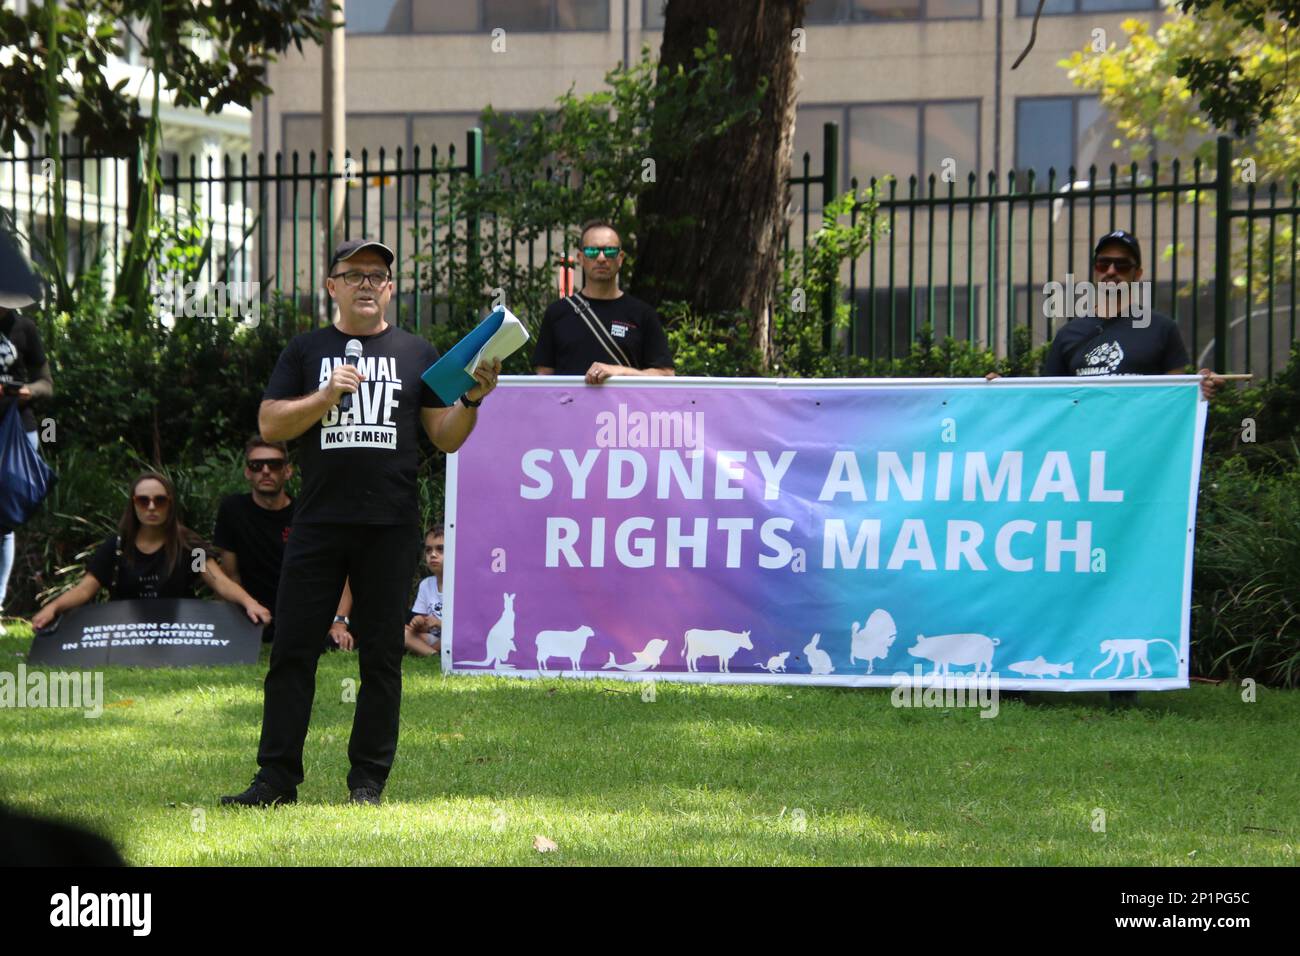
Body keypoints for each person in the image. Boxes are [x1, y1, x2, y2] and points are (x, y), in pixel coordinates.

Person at [221, 238, 499, 809]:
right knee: (293, 650)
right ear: (333, 286)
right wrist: (325, 395)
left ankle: (367, 783)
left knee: (380, 657)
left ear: (390, 288)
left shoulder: (417, 352)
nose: (368, 283)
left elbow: (443, 435)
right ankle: (275, 780)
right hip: (319, 524)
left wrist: (471, 400)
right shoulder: (306, 350)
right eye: (355, 274)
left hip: (389, 525)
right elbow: (271, 425)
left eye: (378, 275)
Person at [30, 472, 272, 629]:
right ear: (133, 504)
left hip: (178, 629)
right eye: (143, 501)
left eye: (160, 500)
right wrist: (52, 608)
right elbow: (85, 590)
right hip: (125, 631)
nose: (152, 507)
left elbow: (219, 581)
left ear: (170, 503)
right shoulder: (116, 547)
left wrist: (250, 603)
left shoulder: (188, 547)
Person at [533, 220, 675, 384]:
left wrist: (618, 371)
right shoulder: (557, 313)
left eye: (609, 250)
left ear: (620, 258)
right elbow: (543, 381)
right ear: (580, 258)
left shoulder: (643, 314)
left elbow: (666, 375)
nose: (601, 258)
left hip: (625, 409)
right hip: (570, 409)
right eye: (592, 251)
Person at [0, 302, 54, 635]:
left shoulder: (25, 328)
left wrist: (26, 392)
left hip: (18, 430)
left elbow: (46, 383)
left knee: (4, 522)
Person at [403, 526, 444, 657]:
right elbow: (423, 625)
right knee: (399, 631)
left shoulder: (462, 585)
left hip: (456, 639)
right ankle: (432, 655)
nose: (433, 554)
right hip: (434, 638)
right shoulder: (426, 584)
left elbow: (468, 629)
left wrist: (439, 623)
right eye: (428, 550)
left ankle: (426, 651)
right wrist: (418, 622)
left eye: (440, 549)